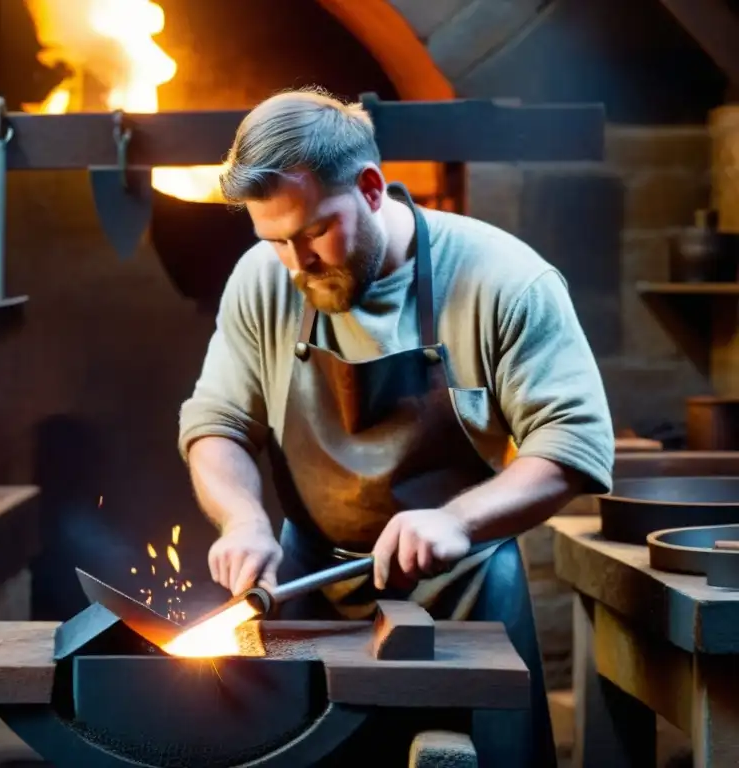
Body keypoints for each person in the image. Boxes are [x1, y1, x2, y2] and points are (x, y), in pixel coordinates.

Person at [177, 87, 615, 765]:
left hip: (464, 597)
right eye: (276, 241)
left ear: (373, 188)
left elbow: (573, 444)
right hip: (309, 585)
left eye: (315, 231)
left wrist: (459, 522)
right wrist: (243, 521)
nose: (297, 264)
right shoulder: (265, 279)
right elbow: (218, 424)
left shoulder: (505, 280)